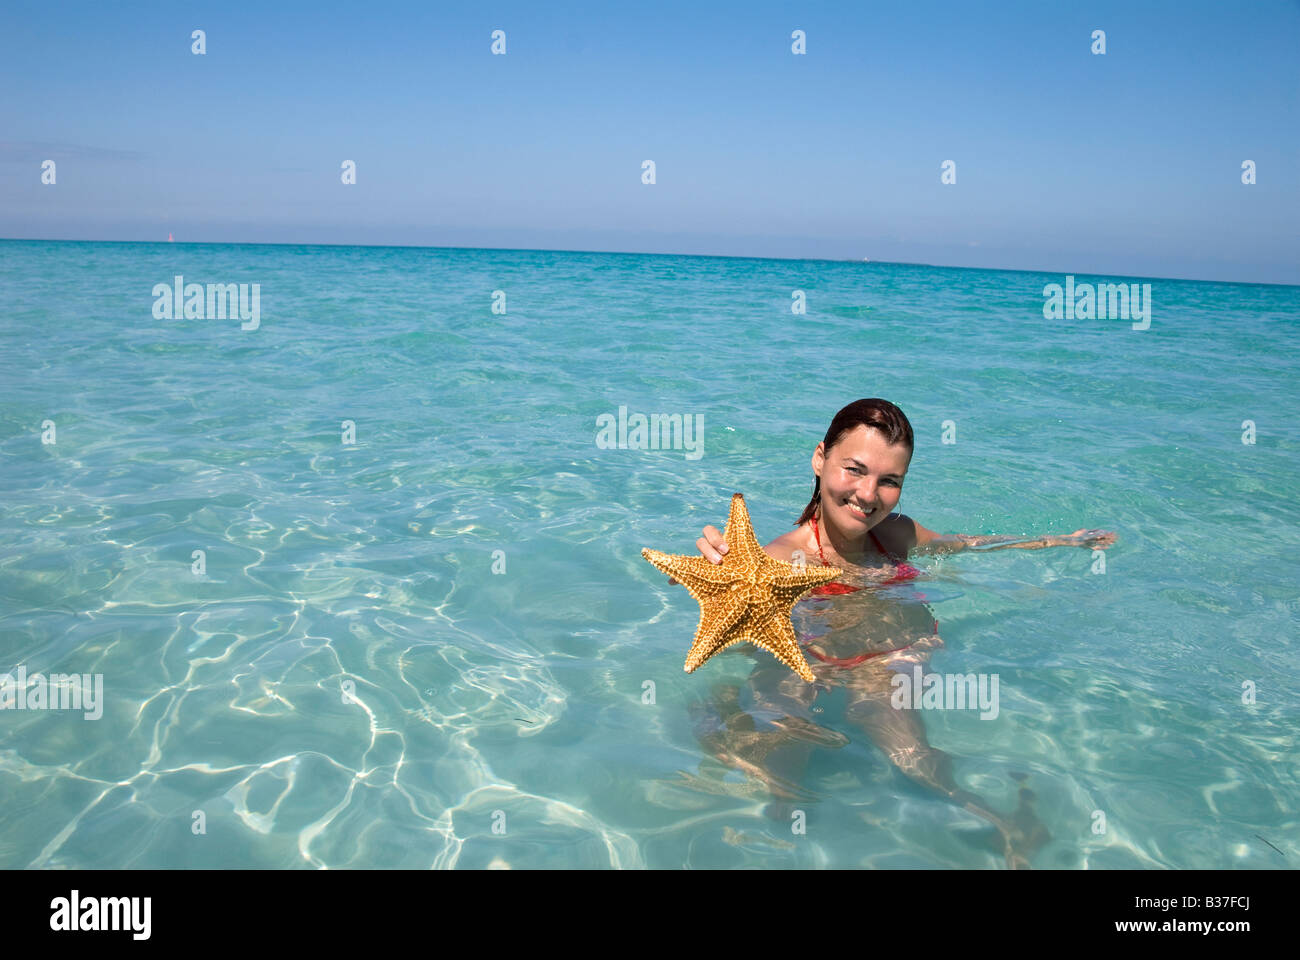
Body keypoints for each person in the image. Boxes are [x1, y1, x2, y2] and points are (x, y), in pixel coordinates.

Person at [671, 398, 1117, 867]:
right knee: (782, 732)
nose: (868, 495)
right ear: (820, 458)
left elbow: (962, 545)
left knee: (911, 756)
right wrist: (705, 572)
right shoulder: (782, 559)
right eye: (855, 470)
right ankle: (778, 827)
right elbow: (734, 590)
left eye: (889, 481)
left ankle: (1008, 826)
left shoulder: (896, 534)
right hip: (816, 662)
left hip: (893, 657)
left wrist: (1060, 541)